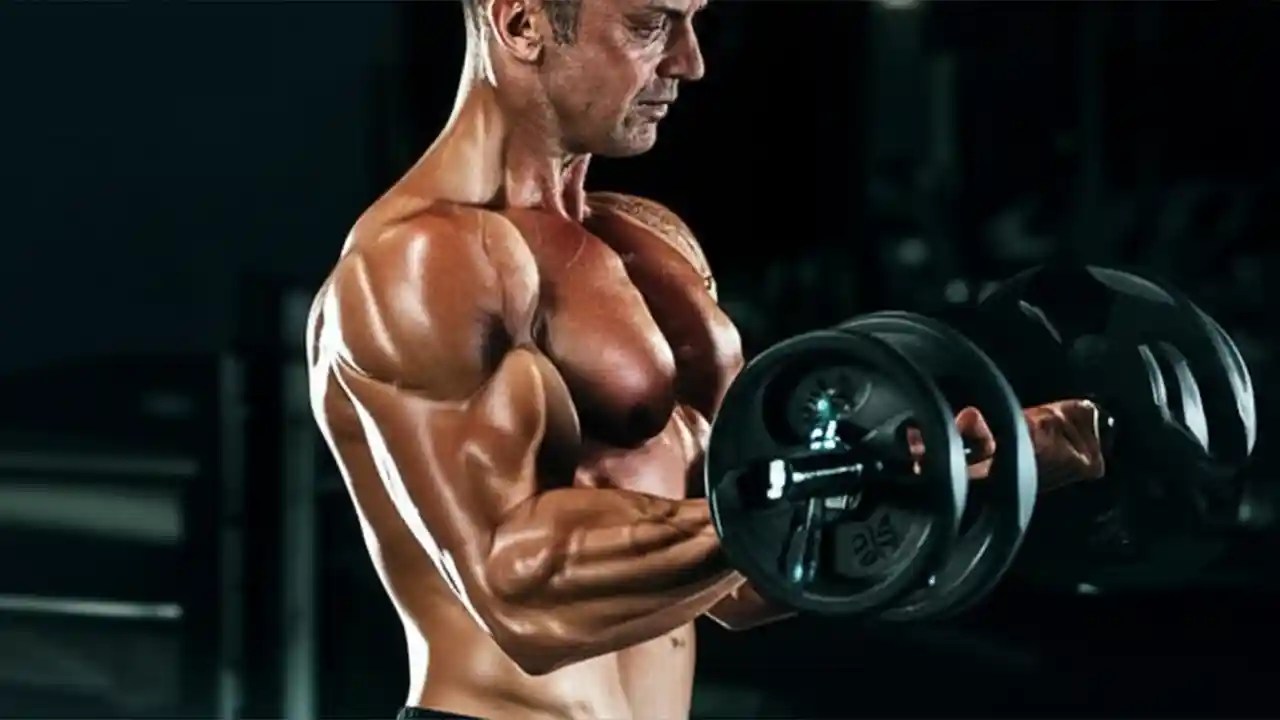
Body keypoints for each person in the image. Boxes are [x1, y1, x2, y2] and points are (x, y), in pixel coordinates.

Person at [304, 0, 1107, 718]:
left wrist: (988, 464)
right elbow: (520, 597)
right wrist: (841, 477)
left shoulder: (654, 246)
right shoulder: (418, 265)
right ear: (521, 24)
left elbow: (751, 581)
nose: (690, 63)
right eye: (651, 25)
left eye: (694, 23)